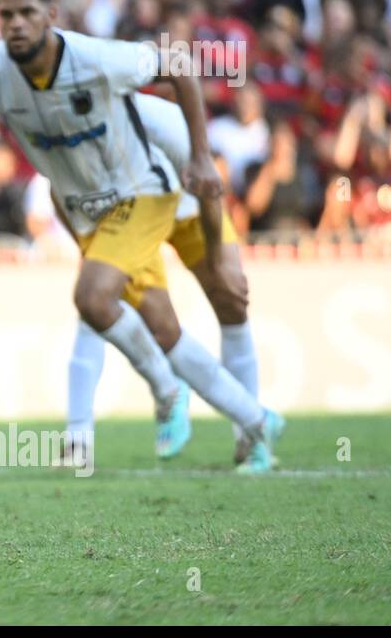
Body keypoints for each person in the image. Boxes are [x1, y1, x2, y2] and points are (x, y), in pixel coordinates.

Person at [0, 0, 283, 473]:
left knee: (117, 296)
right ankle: (252, 418)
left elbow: (194, 133)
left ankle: (182, 405)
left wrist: (223, 248)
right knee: (143, 322)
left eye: (28, 12)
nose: (15, 24)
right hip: (93, 210)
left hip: (154, 194)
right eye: (6, 14)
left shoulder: (104, 66)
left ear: (51, 16)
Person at [65, 92, 263, 465]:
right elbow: (60, 188)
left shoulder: (165, 118)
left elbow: (209, 183)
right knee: (99, 306)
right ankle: (80, 438)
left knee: (231, 300)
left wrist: (220, 259)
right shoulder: (78, 124)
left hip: (191, 210)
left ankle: (251, 438)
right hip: (136, 216)